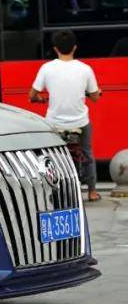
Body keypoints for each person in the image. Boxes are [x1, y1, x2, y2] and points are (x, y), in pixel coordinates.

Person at [29, 30, 102, 202]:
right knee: (87, 154)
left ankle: (52, 190)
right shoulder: (85, 69)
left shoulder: (46, 68)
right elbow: (95, 97)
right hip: (80, 122)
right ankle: (92, 192)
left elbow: (32, 95)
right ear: (75, 48)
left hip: (54, 123)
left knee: (49, 156)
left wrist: (39, 99)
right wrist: (97, 93)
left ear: (55, 49)